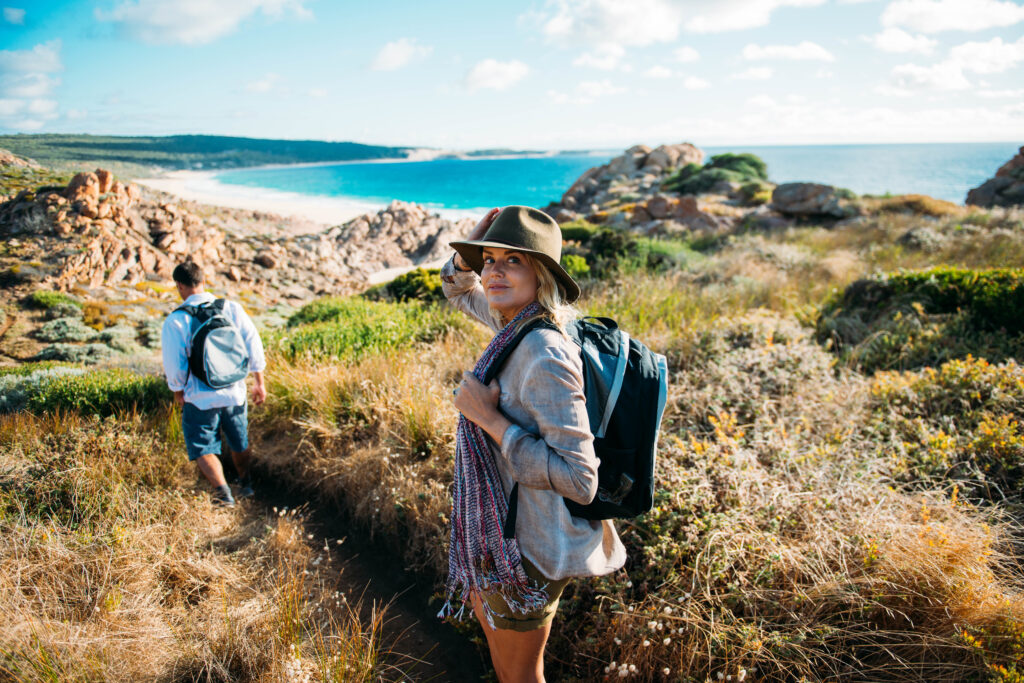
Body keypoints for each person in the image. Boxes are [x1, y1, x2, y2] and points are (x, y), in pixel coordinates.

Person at [440, 206, 626, 682]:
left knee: (521, 676)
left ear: (541, 274)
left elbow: (581, 480)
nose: (494, 271)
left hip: (533, 550)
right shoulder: (515, 324)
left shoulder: (543, 350)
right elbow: (457, 290)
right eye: (490, 260)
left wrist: (490, 419)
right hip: (505, 533)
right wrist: (470, 252)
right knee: (507, 671)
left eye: (513, 261)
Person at [161, 261, 267, 507]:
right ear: (203, 281)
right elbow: (253, 344)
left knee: (202, 446)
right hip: (234, 391)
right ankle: (246, 482)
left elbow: (174, 366)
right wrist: (258, 382)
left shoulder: (176, 320)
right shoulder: (231, 308)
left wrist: (178, 391)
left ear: (179, 285)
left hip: (199, 397)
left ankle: (223, 493)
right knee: (239, 441)